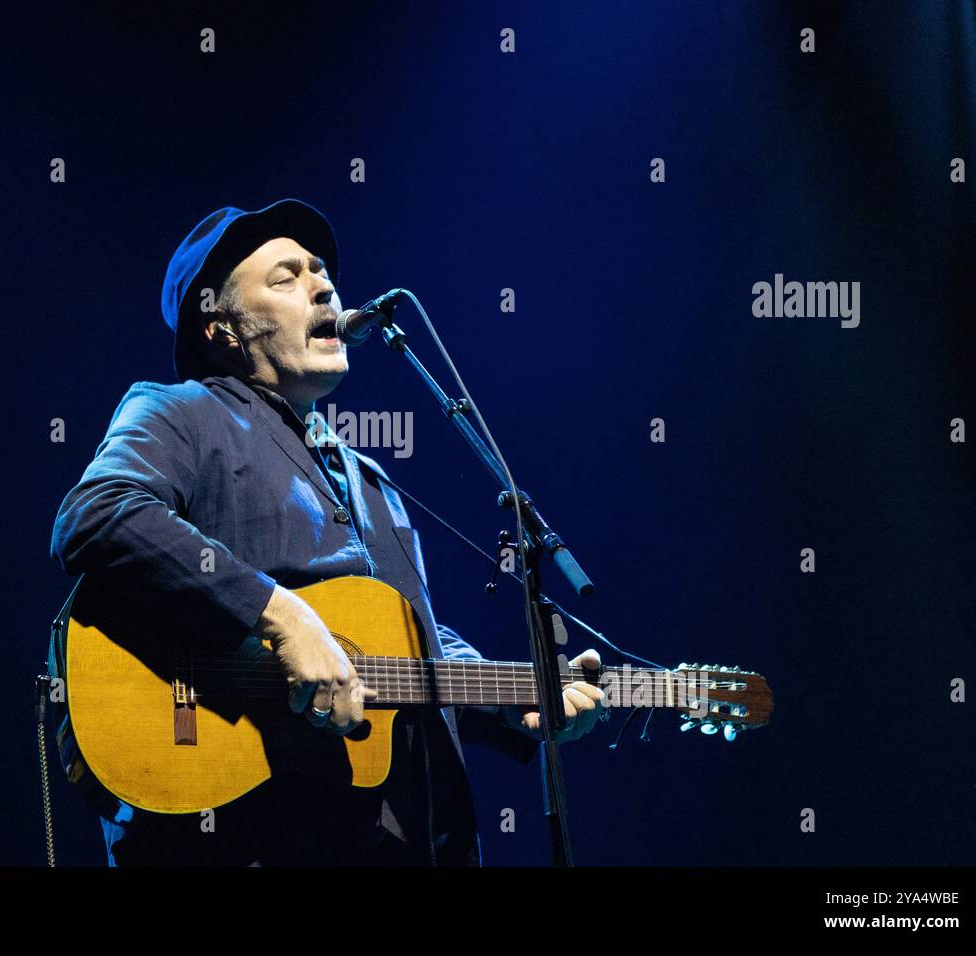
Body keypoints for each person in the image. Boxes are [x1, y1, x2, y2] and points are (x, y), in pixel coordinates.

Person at [50, 198, 605, 866]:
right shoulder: (182, 413)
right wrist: (279, 615)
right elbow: (99, 513)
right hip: (246, 837)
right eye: (285, 277)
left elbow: (412, 648)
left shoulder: (370, 479)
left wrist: (516, 701)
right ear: (220, 326)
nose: (322, 285)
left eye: (321, 272)